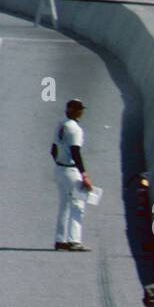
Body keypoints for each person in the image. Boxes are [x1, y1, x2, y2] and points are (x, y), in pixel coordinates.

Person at [51, 99, 93, 251]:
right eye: (79, 109)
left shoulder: (60, 125)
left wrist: (59, 163)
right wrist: (84, 175)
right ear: (73, 111)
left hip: (59, 170)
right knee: (78, 205)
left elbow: (53, 150)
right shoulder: (75, 129)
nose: (81, 112)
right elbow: (76, 152)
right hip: (71, 171)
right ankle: (74, 241)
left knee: (64, 205)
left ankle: (60, 240)